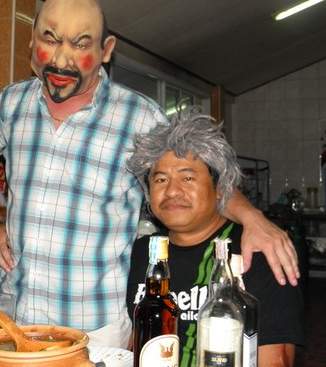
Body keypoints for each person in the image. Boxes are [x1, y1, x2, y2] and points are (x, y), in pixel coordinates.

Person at [0, 0, 299, 349]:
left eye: (80, 44)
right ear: (31, 40)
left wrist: (253, 218)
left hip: (96, 329)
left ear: (106, 51)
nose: (61, 58)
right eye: (50, 39)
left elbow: (199, 175)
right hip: (17, 316)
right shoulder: (12, 103)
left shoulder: (140, 116)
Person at [126, 106, 305, 366]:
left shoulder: (256, 251)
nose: (172, 191)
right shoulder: (144, 252)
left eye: (188, 178)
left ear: (220, 188)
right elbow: (136, 340)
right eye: (161, 180)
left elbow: (276, 359)